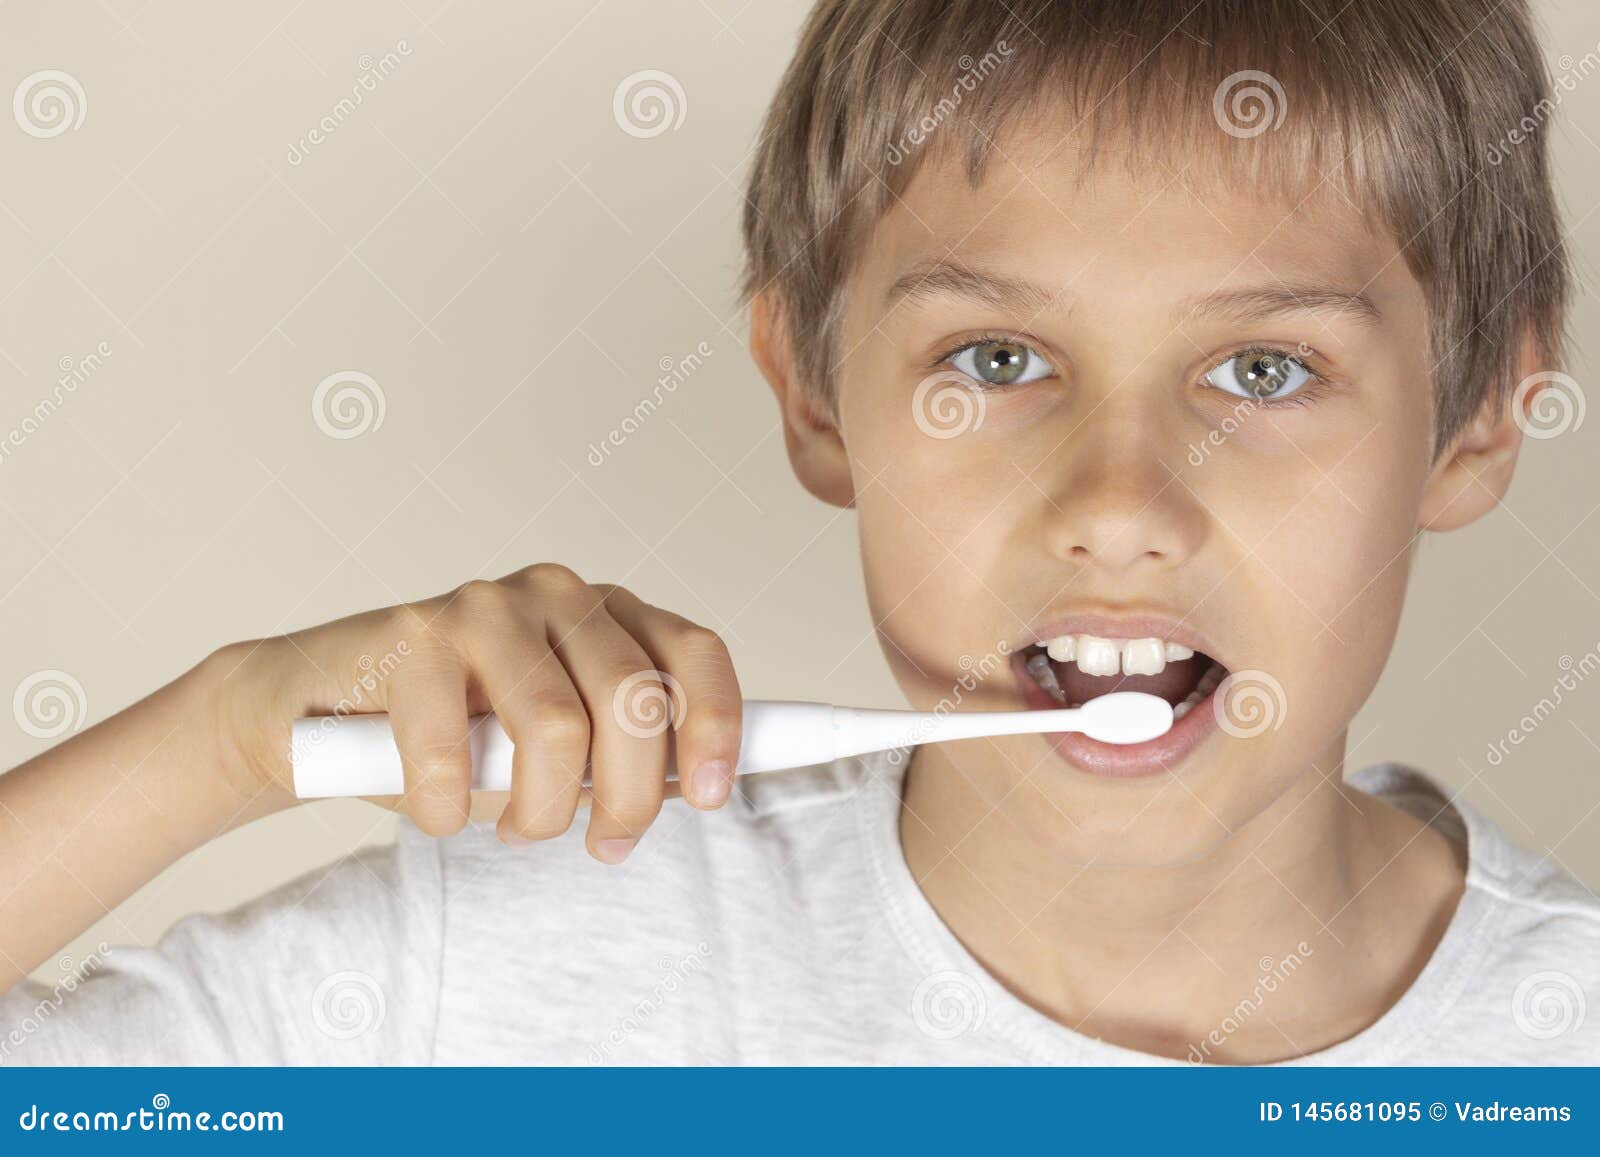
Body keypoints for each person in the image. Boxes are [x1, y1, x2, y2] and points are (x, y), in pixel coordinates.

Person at [3, 0, 1596, 1064]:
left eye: (1264, 369)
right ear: (816, 395)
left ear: (1479, 418)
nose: (1121, 504)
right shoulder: (476, 986)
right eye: (997, 359)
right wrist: (226, 736)